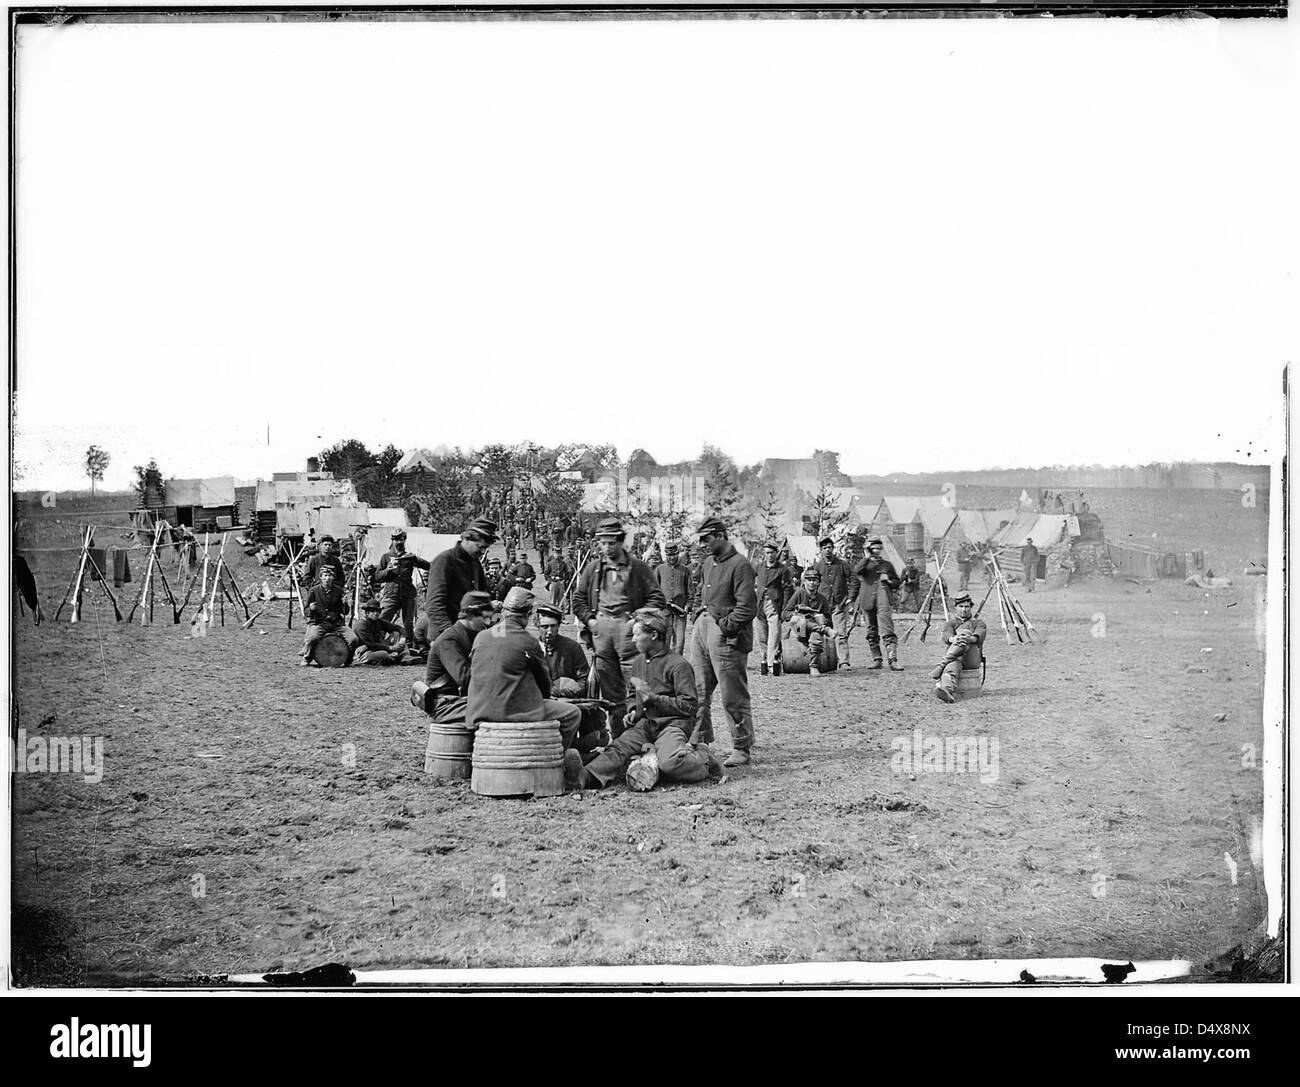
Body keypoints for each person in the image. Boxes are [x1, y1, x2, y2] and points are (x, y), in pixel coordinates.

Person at [576, 612, 722, 790]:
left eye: (637, 634)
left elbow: (690, 706)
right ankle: (588, 775)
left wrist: (655, 699)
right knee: (618, 748)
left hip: (673, 724)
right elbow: (631, 693)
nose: (633, 639)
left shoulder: (678, 665)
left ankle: (703, 758)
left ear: (653, 636)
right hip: (646, 724)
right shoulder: (639, 662)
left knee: (669, 763)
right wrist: (631, 710)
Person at [467, 588, 585, 787]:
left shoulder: (481, 637)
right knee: (572, 714)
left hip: (477, 710)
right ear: (528, 616)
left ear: (503, 612)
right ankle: (555, 761)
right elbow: (545, 686)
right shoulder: (528, 641)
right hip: (511, 711)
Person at [571, 517, 666, 739]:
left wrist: (636, 619)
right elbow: (578, 600)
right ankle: (619, 739)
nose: (606, 547)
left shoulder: (638, 568)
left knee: (636, 682)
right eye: (602, 543)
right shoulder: (593, 569)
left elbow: (657, 598)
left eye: (611, 543)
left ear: (621, 541)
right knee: (609, 688)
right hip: (601, 631)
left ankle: (640, 736)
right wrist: (591, 621)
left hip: (628, 631)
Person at [689, 516, 757, 767]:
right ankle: (701, 741)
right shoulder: (708, 563)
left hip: (727, 635)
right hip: (702, 630)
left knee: (732, 694)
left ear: (720, 535)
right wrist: (699, 614)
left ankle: (742, 746)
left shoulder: (740, 565)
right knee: (697, 690)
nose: (703, 544)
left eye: (707, 539)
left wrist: (725, 626)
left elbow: (748, 607)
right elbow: (700, 592)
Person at [536, 603, 607, 753]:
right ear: (537, 626)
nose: (549, 631)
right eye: (544, 627)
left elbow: (584, 681)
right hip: (540, 705)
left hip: (569, 705)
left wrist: (562, 692)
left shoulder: (572, 647)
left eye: (553, 626)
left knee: (591, 731)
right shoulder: (531, 648)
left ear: (559, 625)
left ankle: (579, 746)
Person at [424, 591, 496, 722]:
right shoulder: (450, 640)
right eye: (484, 617)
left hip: (464, 699)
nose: (488, 621)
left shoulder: (476, 633)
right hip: (444, 704)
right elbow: (465, 678)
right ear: (469, 616)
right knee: (499, 710)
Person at [424, 518, 497, 642]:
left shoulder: (475, 563)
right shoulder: (444, 560)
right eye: (480, 547)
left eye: (486, 548)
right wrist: (451, 633)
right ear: (467, 538)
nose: (483, 552)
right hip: (446, 636)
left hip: (468, 633)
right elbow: (434, 604)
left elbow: (483, 598)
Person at [852, 536, 902, 671]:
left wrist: (889, 581)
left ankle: (892, 660)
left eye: (879, 548)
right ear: (869, 549)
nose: (877, 551)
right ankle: (877, 659)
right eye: (874, 548)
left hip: (883, 600)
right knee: (871, 631)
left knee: (887, 629)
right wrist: (867, 557)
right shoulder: (864, 564)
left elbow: (897, 581)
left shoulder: (887, 565)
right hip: (868, 601)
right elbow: (856, 571)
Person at [373, 528, 431, 644]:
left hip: (407, 594)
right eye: (395, 539)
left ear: (404, 540)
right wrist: (387, 570)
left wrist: (415, 559)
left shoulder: (409, 557)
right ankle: (377, 643)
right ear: (392, 541)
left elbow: (428, 566)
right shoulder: (386, 557)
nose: (397, 542)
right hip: (391, 594)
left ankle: (410, 646)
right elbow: (378, 576)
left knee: (408, 623)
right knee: (383, 619)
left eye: (400, 539)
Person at [931, 591, 987, 703]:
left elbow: (977, 638)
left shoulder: (979, 623)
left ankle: (941, 665)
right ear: (956, 608)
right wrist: (954, 639)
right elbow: (946, 635)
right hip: (956, 658)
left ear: (971, 608)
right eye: (960, 606)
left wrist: (963, 638)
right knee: (951, 668)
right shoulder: (950, 623)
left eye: (967, 607)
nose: (964, 609)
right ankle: (947, 691)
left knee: (965, 633)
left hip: (972, 658)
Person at [781, 568, 836, 676]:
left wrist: (824, 619)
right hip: (799, 630)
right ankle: (824, 630)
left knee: (817, 636)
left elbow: (829, 620)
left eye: (814, 580)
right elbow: (785, 613)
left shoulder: (822, 599)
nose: (812, 583)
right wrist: (795, 615)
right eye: (809, 580)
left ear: (818, 582)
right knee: (801, 621)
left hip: (814, 631)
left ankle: (814, 666)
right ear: (804, 581)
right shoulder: (798, 594)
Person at [301, 566, 360, 666]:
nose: (327, 578)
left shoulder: (339, 591)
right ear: (321, 577)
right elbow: (306, 611)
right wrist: (311, 609)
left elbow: (345, 612)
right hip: (320, 622)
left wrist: (345, 603)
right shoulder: (313, 591)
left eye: (330, 576)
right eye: (325, 575)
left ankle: (348, 659)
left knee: (353, 639)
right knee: (312, 638)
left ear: (333, 578)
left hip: (336, 623)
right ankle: (307, 658)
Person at [812, 536, 854, 671]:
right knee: (821, 632)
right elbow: (811, 583)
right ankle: (823, 661)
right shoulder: (818, 566)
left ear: (833, 549)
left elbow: (854, 581)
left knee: (841, 633)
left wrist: (850, 598)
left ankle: (843, 662)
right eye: (824, 548)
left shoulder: (842, 565)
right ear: (821, 550)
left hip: (838, 604)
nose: (827, 550)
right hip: (822, 606)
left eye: (829, 547)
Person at [753, 541, 793, 677]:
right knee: (760, 635)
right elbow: (747, 578)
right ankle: (764, 660)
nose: (769, 556)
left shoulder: (783, 569)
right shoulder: (759, 567)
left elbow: (788, 589)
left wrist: (785, 608)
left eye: (771, 553)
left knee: (774, 635)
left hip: (774, 605)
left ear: (776, 553)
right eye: (767, 553)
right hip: (759, 605)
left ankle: (772, 664)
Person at [655, 541, 692, 656]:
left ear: (678, 554)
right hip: (664, 611)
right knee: (663, 641)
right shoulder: (659, 569)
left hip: (680, 612)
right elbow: (654, 590)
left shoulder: (685, 570)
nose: (671, 558)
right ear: (665, 555)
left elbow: (691, 591)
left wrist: (688, 605)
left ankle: (677, 668)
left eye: (674, 554)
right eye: (669, 555)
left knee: (679, 643)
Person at [351, 597, 407, 666]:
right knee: (384, 654)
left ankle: (405, 656)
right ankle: (394, 656)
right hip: (364, 653)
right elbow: (370, 644)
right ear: (367, 612)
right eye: (373, 611)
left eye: (378, 611)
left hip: (377, 648)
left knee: (396, 634)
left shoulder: (378, 622)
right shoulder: (361, 625)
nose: (376, 613)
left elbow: (398, 628)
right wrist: (390, 648)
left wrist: (402, 639)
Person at [543, 548, 573, 614]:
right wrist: (550, 580)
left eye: (558, 553)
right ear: (553, 554)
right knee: (553, 600)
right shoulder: (550, 563)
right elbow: (546, 574)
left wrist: (564, 580)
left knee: (561, 600)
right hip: (553, 583)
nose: (557, 555)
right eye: (555, 553)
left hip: (561, 582)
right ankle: (552, 614)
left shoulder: (563, 563)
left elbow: (567, 573)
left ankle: (561, 616)